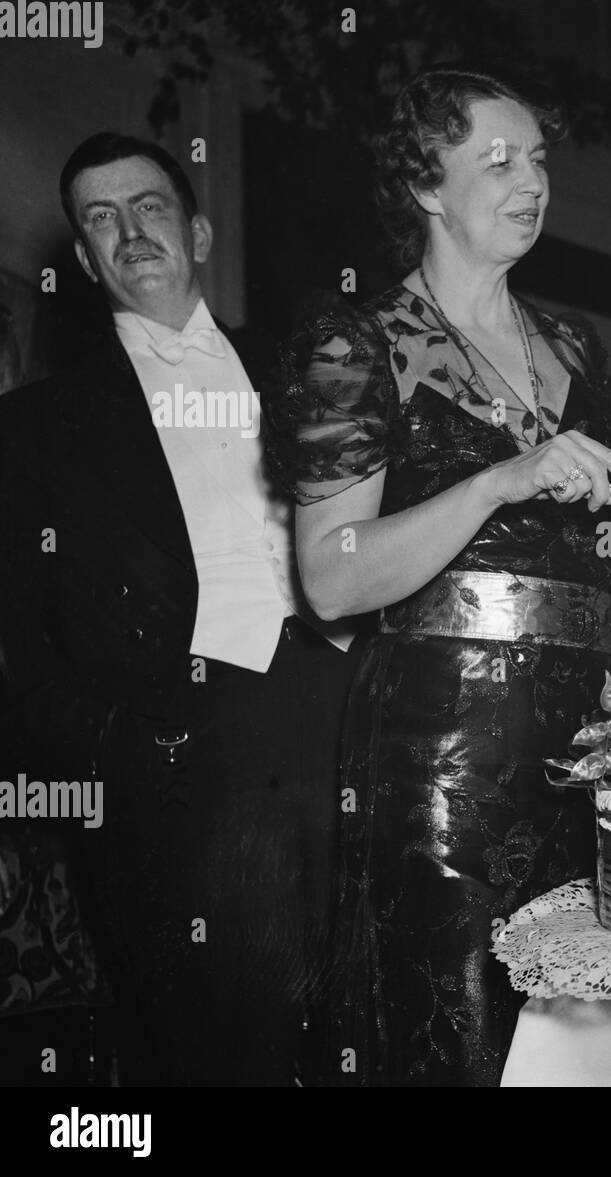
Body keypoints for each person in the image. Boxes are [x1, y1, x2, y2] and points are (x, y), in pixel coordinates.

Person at [265, 65, 611, 1087]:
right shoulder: (353, 344)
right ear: (428, 187)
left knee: (574, 1051)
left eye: (540, 159)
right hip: (439, 757)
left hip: (579, 760)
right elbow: (333, 583)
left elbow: (582, 562)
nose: (533, 181)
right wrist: (497, 481)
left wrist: (610, 683)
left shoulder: (573, 347)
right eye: (499, 160)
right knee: (456, 1048)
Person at [0, 133, 360, 1084]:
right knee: (209, 1062)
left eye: (150, 206)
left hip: (348, 722)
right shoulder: (35, 427)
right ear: (81, 259)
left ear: (198, 231)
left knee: (360, 1040)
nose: (130, 232)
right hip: (187, 761)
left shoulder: (299, 370)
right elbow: (18, 655)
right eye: (101, 219)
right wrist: (126, 748)